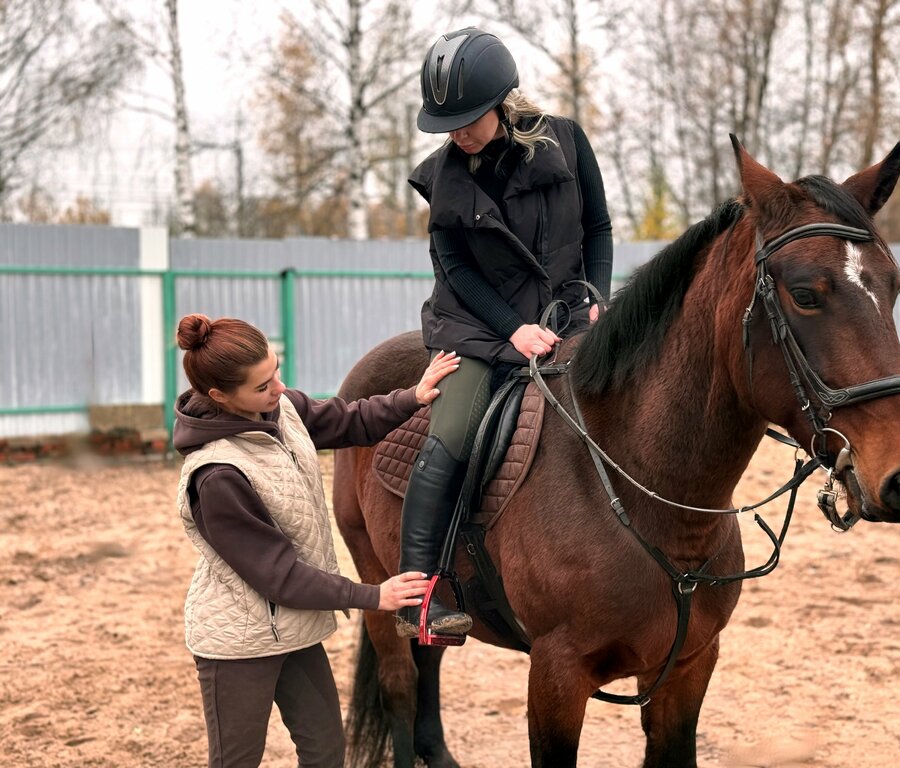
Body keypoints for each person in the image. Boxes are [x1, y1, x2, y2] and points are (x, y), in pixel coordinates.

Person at [396, 27, 614, 640]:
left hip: (570, 315)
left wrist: (596, 295)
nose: (458, 132)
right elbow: (456, 269)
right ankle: (421, 592)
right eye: (447, 124)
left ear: (503, 101)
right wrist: (511, 329)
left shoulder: (567, 142)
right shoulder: (441, 177)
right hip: (474, 325)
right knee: (452, 432)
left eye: (467, 118)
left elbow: (597, 227)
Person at [172, 312, 459, 768]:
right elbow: (279, 576)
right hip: (239, 644)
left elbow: (348, 420)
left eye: (277, 371)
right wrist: (374, 595)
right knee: (235, 761)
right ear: (219, 396)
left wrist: (413, 397)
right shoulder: (217, 476)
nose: (279, 389)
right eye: (263, 385)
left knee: (327, 753)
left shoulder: (278, 409)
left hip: (296, 630)